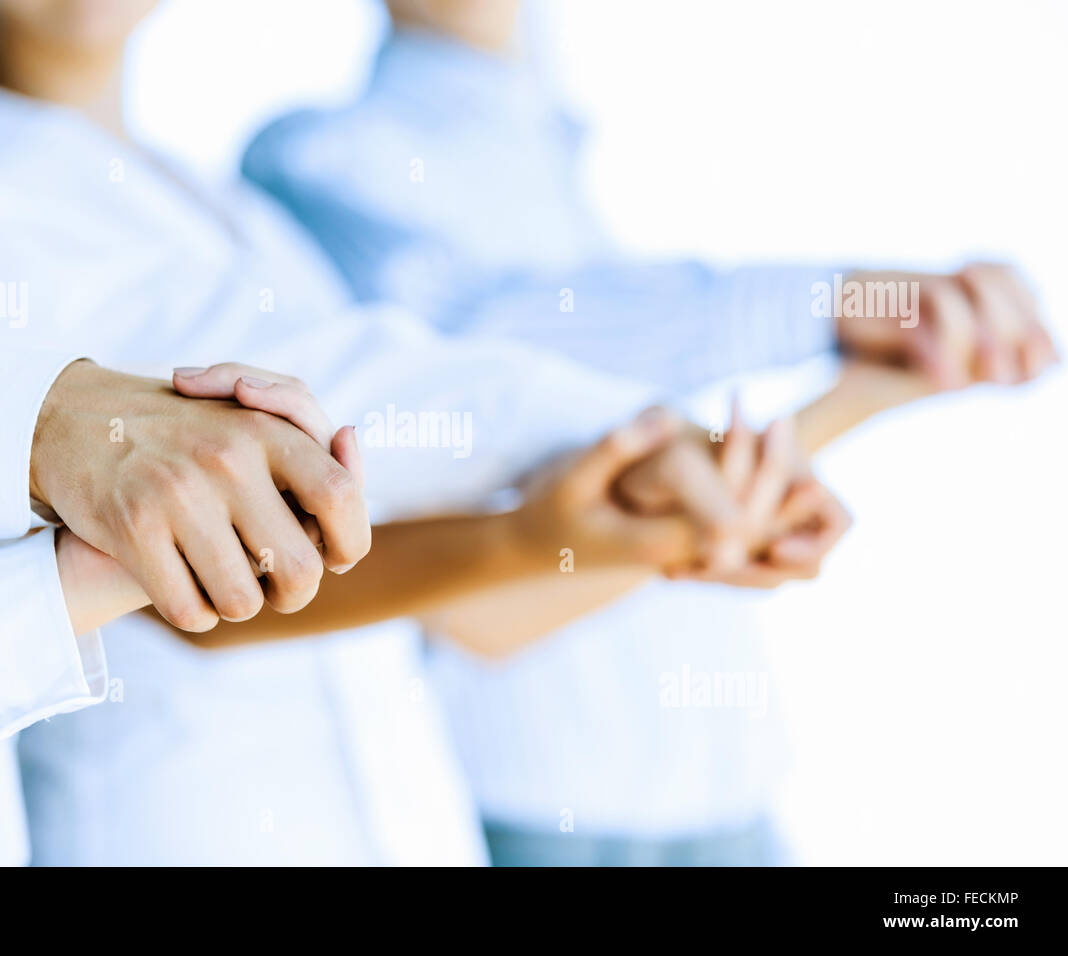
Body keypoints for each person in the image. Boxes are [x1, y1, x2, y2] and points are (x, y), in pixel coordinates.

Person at [0, 0, 845, 865]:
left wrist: (620, 495)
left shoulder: (242, 210)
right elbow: (182, 560)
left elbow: (441, 551)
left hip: (396, 814)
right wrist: (612, 446)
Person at [239, 0, 1058, 863]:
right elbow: (476, 359)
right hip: (550, 808)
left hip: (729, 792)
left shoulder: (554, 149)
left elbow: (652, 466)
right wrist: (834, 302)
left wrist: (864, 390)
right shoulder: (316, 157)